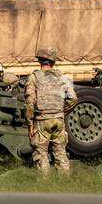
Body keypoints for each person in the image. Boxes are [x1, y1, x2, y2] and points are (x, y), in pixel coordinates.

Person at [25, 46, 76, 174]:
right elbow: (73, 98)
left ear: (40, 61)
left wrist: (30, 124)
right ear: (53, 62)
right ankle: (64, 184)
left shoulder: (34, 77)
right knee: (60, 153)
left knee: (41, 154)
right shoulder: (62, 77)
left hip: (42, 121)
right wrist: (62, 112)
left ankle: (44, 187)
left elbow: (30, 103)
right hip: (58, 121)